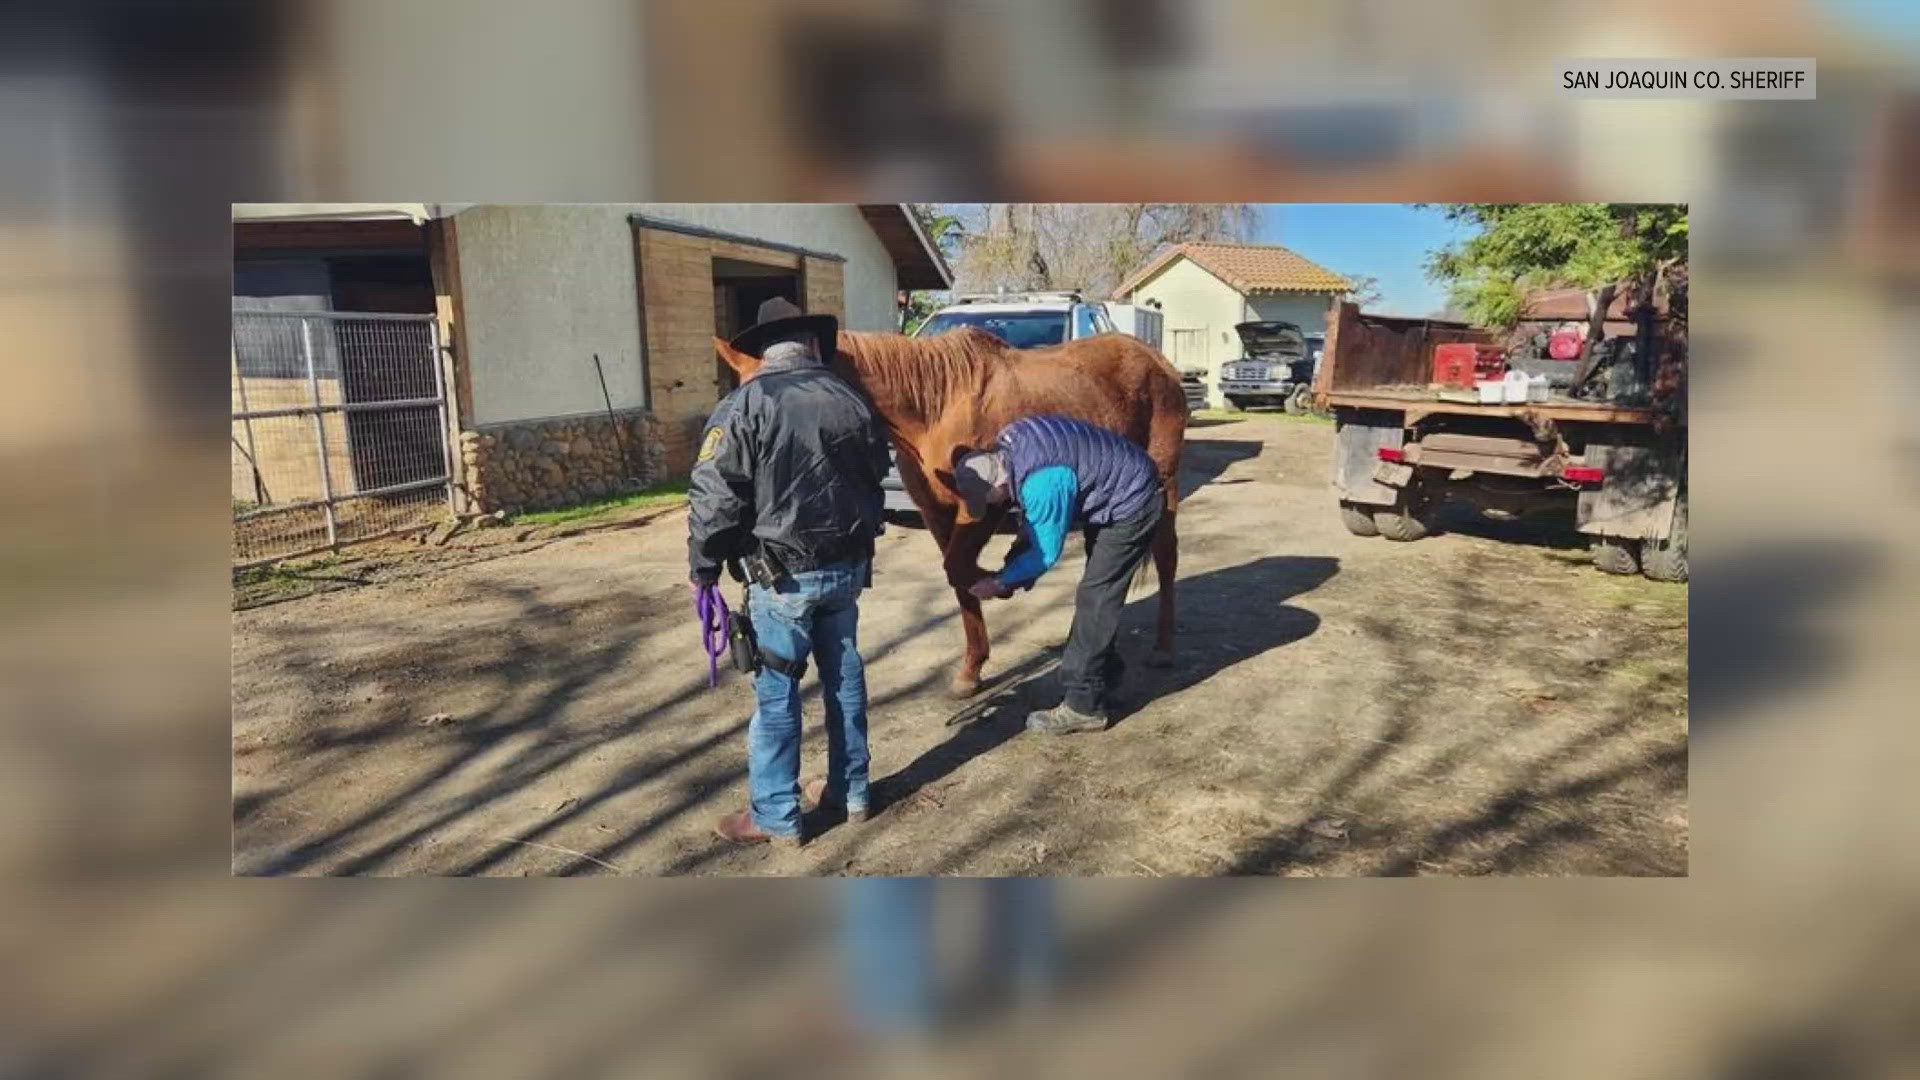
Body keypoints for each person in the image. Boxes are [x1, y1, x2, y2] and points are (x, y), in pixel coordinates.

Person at [688, 297, 892, 847]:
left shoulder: (744, 404)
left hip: (781, 579)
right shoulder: (854, 400)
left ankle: (777, 816)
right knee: (844, 682)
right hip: (846, 571)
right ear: (812, 344)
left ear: (762, 350)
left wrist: (703, 566)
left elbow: (715, 495)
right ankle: (852, 794)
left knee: (777, 696)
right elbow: (877, 474)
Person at [953, 414, 1164, 734]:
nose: (994, 505)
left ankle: (1084, 705)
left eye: (989, 499)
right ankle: (1106, 674)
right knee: (1098, 592)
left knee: (1096, 595)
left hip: (1132, 501)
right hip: (1114, 479)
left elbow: (1045, 554)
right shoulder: (1010, 443)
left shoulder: (1042, 482)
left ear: (997, 481)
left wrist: (1000, 582)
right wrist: (1011, 570)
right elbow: (1032, 524)